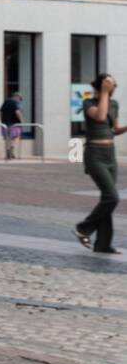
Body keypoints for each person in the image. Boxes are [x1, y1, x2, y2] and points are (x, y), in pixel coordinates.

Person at [74, 74, 125, 254]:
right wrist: (103, 93)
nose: (111, 86)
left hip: (110, 154)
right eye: (107, 83)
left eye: (112, 83)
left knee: (107, 198)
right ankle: (83, 228)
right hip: (94, 154)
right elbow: (100, 116)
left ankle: (103, 244)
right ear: (99, 85)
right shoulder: (88, 102)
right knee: (112, 197)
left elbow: (113, 129)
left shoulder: (114, 104)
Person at [0, 92, 24, 160]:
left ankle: (8, 151)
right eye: (20, 99)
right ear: (16, 97)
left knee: (7, 138)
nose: (20, 101)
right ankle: (11, 150)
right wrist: (22, 121)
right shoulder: (15, 103)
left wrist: (2, 121)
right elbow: (17, 112)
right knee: (14, 138)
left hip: (5, 123)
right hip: (14, 124)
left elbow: (0, 112)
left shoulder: (6, 102)